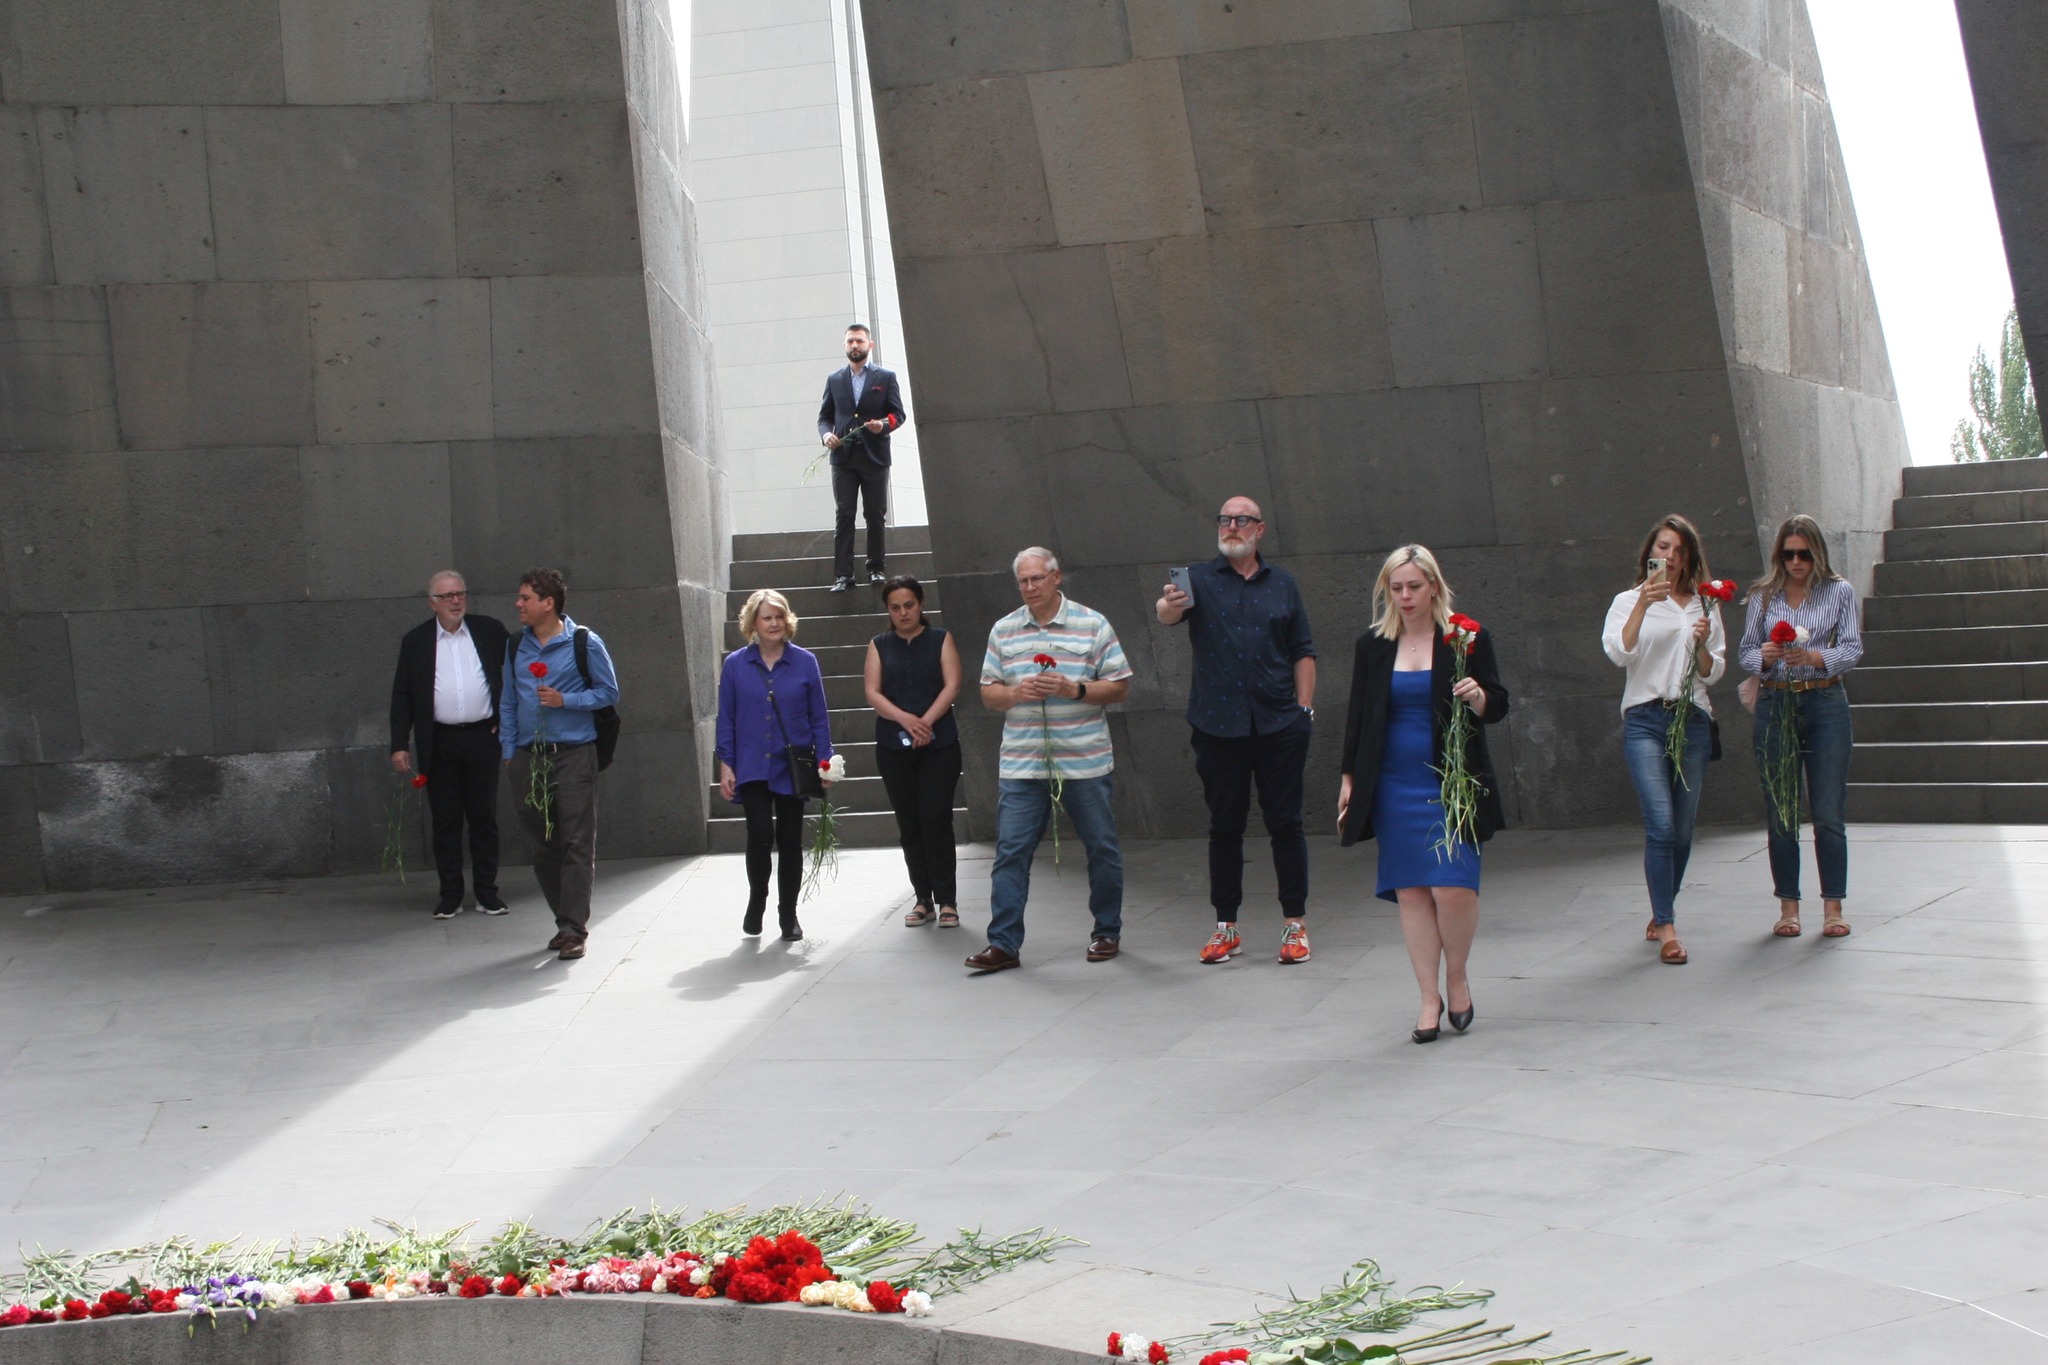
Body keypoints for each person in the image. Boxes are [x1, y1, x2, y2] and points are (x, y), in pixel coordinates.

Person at [1339, 546, 1509, 1043]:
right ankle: (1427, 998)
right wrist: (1349, 779)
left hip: (1451, 780)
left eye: (1414, 586)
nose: (1406, 596)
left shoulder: (1466, 638)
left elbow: (1497, 703)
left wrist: (1478, 696)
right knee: (1412, 891)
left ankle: (1456, 977)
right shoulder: (1373, 645)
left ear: (1434, 585)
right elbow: (1359, 718)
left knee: (1452, 887)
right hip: (1392, 782)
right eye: (1396, 588)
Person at [1155, 496, 1318, 965]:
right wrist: (1168, 604)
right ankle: (1226, 926)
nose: (1231, 526)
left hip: (1280, 725)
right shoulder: (1196, 578)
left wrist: (1304, 711)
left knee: (1285, 823)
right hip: (1217, 726)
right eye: (1224, 519)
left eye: (1241, 520)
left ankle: (1295, 926)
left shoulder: (1283, 584)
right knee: (1224, 826)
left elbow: (1303, 650)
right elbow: (1168, 613)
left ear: (1259, 529)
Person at [967, 548, 1134, 973]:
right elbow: (988, 693)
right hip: (1023, 764)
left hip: (1084, 760)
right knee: (1010, 852)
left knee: (1101, 848)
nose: (1029, 588)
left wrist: (1074, 689)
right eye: (1022, 581)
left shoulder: (1092, 623)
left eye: (1037, 579)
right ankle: (1003, 943)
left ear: (1057, 578)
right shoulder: (1004, 630)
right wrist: (1014, 693)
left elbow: (1119, 686)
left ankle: (1106, 931)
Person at [1601, 514, 1726, 967]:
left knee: (1684, 827)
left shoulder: (1704, 605)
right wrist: (1642, 606)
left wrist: (1705, 646)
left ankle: (1661, 907)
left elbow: (1716, 671)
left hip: (1691, 717)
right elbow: (1618, 653)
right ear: (1650, 554)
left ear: (1689, 556)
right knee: (1661, 823)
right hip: (1645, 720)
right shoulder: (1627, 601)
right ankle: (1668, 926)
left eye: (1677, 549)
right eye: (1662, 547)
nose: (1668, 556)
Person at [1738, 514, 1862, 939]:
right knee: (1782, 811)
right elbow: (1746, 652)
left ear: (1817, 553)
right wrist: (1766, 656)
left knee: (1828, 812)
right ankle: (1788, 906)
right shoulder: (1763, 596)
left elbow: (1852, 647)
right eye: (1788, 554)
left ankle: (1833, 907)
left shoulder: (1838, 591)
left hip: (1825, 699)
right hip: (1776, 701)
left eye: (1804, 554)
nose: (1796, 562)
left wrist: (1815, 658)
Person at [501, 568, 619, 961]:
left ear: (547, 603)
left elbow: (608, 692)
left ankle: (573, 929)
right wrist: (507, 750)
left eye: (525, 598)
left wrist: (566, 700)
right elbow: (507, 699)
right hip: (526, 757)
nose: (518, 604)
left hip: (573, 753)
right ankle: (563, 920)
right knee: (542, 844)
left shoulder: (584, 642)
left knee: (575, 840)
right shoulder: (515, 645)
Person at [389, 571, 512, 919]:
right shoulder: (416, 641)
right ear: (432, 603)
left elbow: (512, 676)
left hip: (482, 737)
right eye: (447, 596)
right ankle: (451, 895)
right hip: (439, 741)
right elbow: (402, 695)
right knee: (445, 820)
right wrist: (400, 743)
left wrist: (509, 720)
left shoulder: (489, 631)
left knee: (483, 818)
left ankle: (487, 892)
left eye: (460, 594)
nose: (456, 601)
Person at [717, 588, 834, 942]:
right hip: (751, 763)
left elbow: (819, 717)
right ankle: (757, 899)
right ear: (753, 623)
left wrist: (825, 762)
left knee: (790, 839)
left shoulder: (805, 662)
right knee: (759, 835)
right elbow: (727, 718)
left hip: (792, 764)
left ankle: (788, 914)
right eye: (766, 617)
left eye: (779, 616)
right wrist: (726, 763)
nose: (774, 623)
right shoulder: (735, 664)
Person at [864, 577, 964, 928]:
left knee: (936, 817)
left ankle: (947, 899)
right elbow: (873, 693)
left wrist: (926, 722)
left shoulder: (940, 639)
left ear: (921, 604)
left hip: (940, 745)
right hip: (893, 745)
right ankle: (923, 898)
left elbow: (952, 684)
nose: (903, 612)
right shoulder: (879, 644)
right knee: (909, 822)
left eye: (909, 605)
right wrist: (906, 720)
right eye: (895, 607)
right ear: (888, 611)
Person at [817, 323, 908, 592]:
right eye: (849, 342)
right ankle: (843, 576)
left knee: (875, 513)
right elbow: (825, 417)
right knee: (844, 514)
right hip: (843, 458)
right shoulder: (834, 379)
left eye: (858, 341)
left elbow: (898, 414)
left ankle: (876, 568)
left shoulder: (885, 377)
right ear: (844, 346)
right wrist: (825, 436)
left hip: (875, 456)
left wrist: (884, 425)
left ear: (870, 345)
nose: (854, 345)